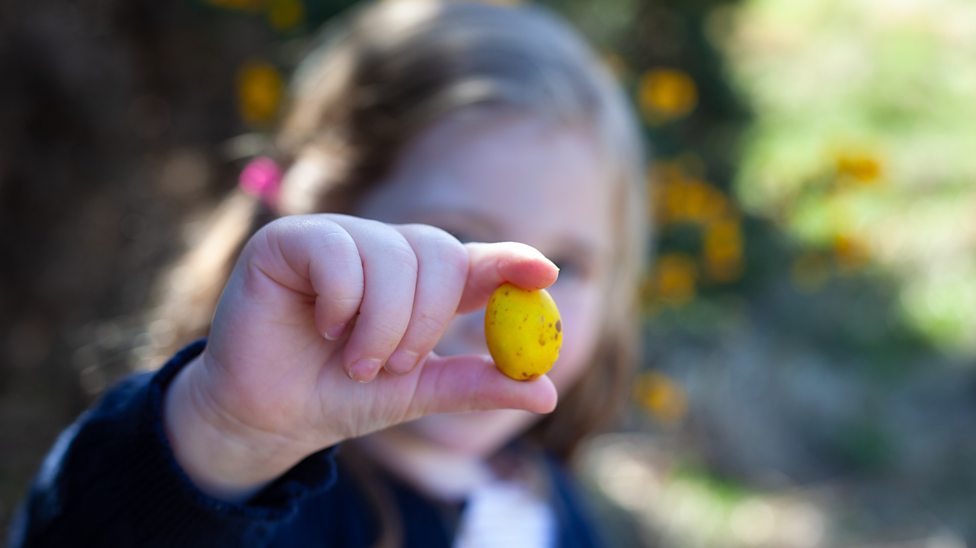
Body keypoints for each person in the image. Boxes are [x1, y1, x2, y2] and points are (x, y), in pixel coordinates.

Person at [10, 0, 647, 546]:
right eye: (458, 237)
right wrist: (229, 436)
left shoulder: (551, 501)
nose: (516, 289)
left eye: (571, 263)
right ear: (326, 215)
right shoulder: (264, 497)